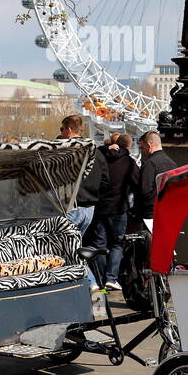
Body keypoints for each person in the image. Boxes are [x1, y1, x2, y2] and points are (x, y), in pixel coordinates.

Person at [58, 114, 108, 291]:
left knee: (65, 247)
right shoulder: (94, 150)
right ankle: (88, 284)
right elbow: (105, 179)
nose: (62, 133)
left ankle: (90, 282)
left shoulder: (68, 150)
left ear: (69, 130)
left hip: (74, 206)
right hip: (90, 209)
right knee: (75, 246)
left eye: (62, 129)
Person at [95, 133, 139, 291]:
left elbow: (95, 152)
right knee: (117, 244)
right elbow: (137, 185)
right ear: (129, 146)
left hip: (100, 207)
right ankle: (111, 278)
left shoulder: (102, 158)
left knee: (99, 244)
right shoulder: (128, 162)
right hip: (119, 208)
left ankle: (99, 280)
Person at [134, 130, 177, 223]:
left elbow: (145, 191)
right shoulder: (172, 163)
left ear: (149, 146)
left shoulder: (150, 164)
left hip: (151, 214)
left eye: (142, 148)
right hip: (168, 211)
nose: (142, 151)